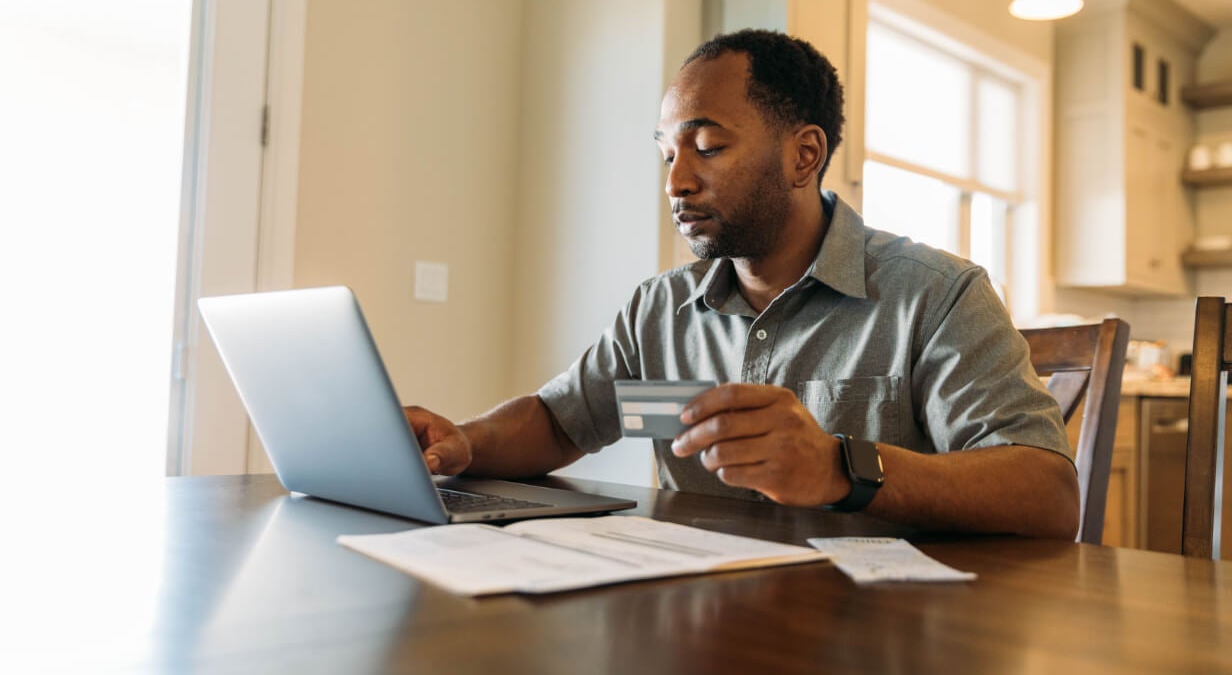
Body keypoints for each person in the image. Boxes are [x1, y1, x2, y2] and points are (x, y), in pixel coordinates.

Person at [406, 29, 1079, 540]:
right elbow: (559, 421)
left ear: (803, 155)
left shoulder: (938, 294)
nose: (675, 182)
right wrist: (464, 442)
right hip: (706, 621)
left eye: (707, 147)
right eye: (668, 154)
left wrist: (841, 468)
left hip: (879, 633)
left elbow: (1047, 495)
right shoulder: (659, 309)